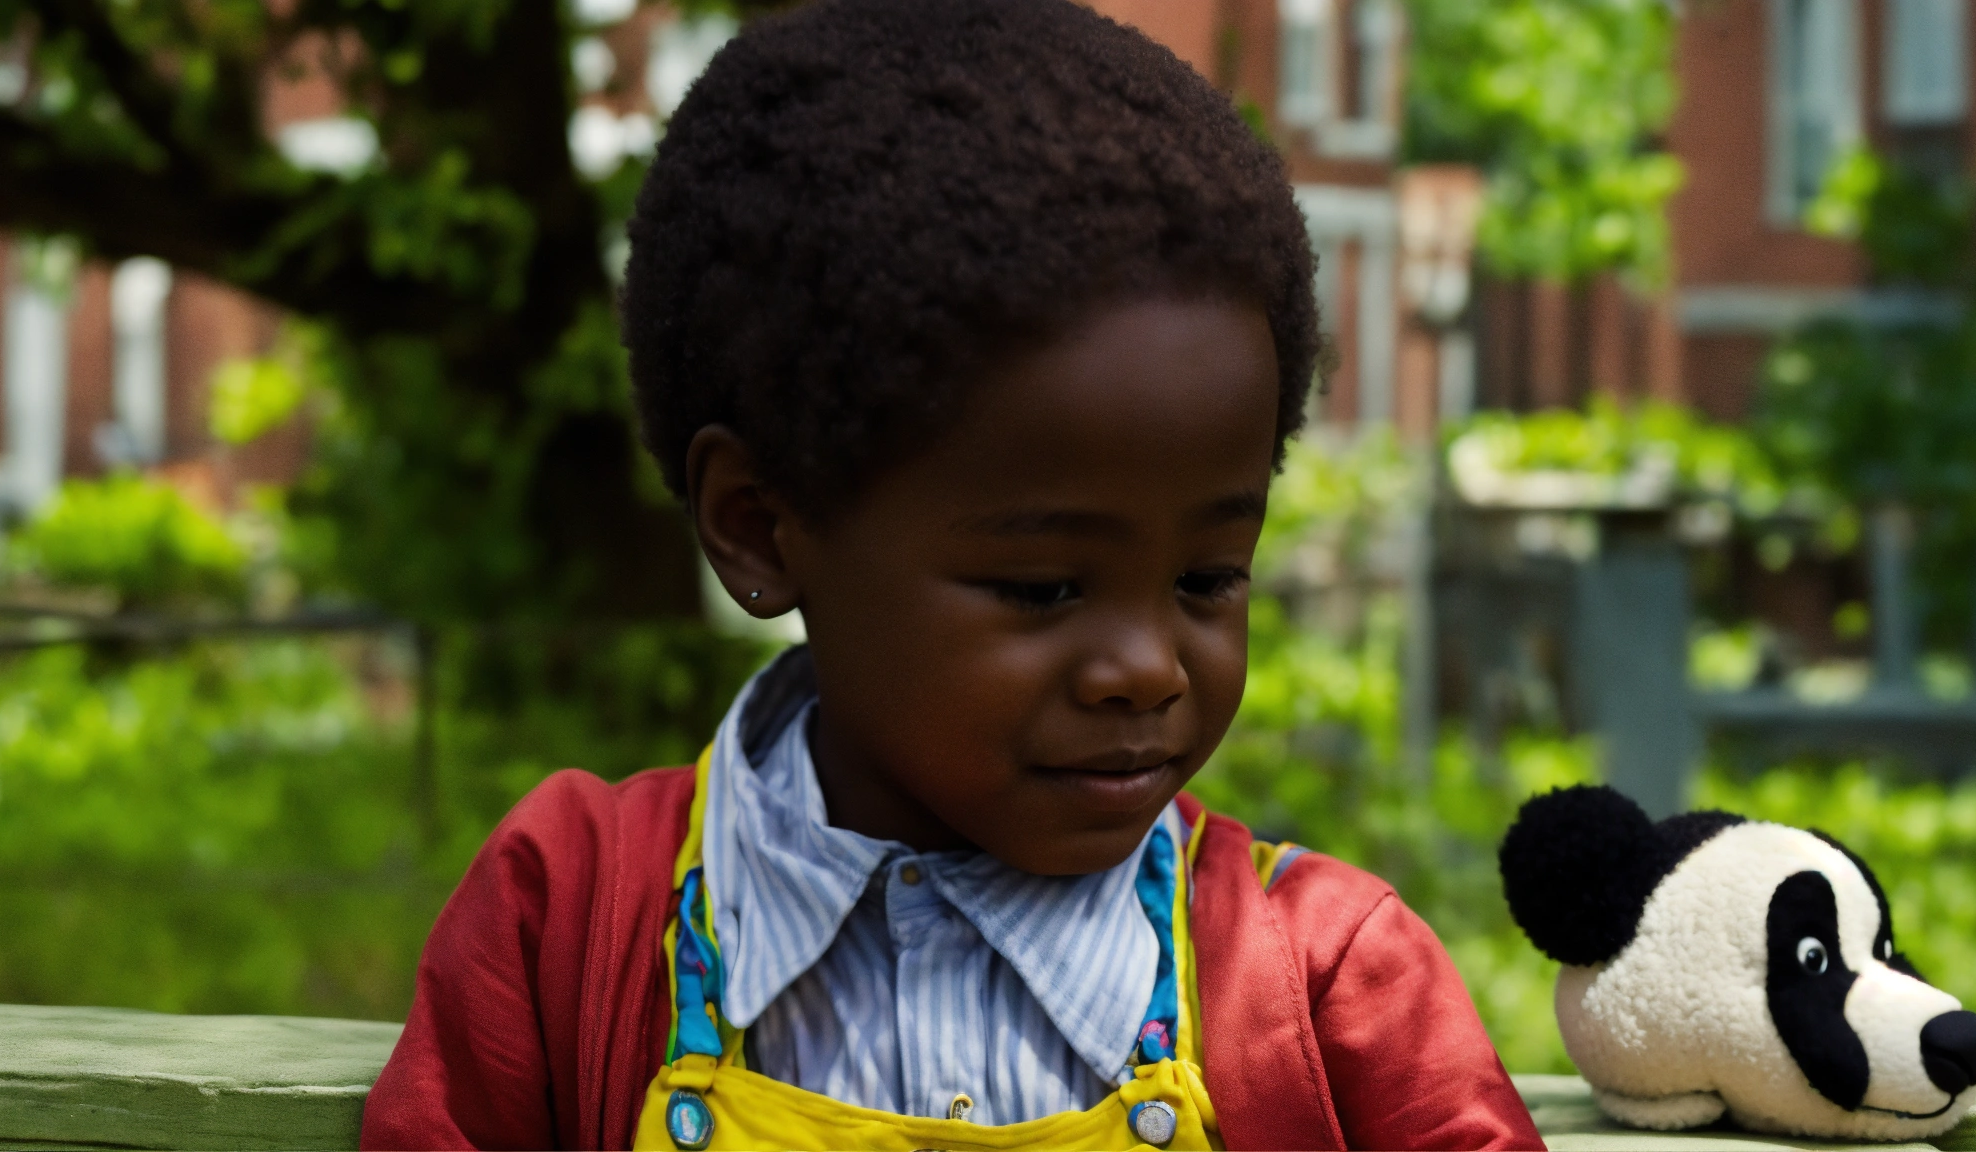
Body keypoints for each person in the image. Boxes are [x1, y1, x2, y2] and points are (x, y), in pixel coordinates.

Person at [362, 0, 1541, 1146]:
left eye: (1207, 577)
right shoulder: (566, 926)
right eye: (1042, 588)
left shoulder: (1329, 986)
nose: (1147, 667)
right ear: (762, 529)